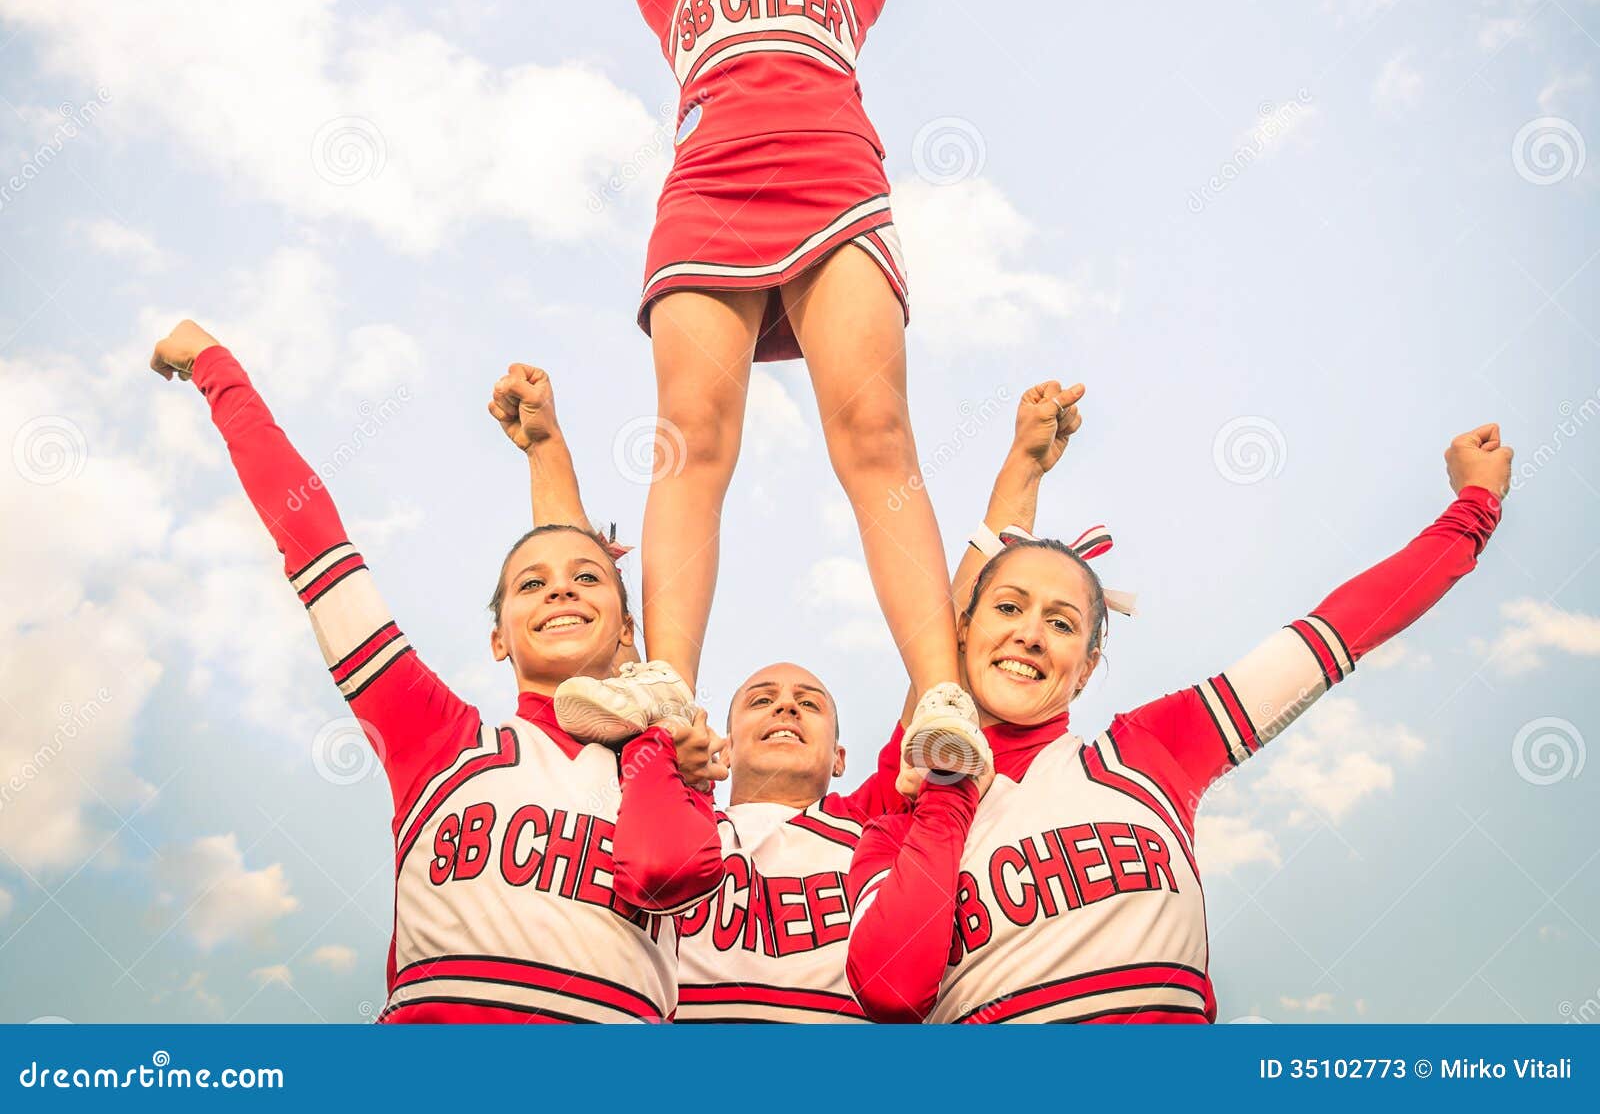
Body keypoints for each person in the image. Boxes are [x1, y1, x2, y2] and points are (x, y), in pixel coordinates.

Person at [531, 0, 989, 780]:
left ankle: (940, 697)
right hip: (706, 200)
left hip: (836, 188)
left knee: (876, 433)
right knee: (691, 440)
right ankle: (667, 683)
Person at [149, 319, 726, 1024]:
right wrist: (216, 366)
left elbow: (607, 644)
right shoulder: (438, 739)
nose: (562, 591)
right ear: (497, 637)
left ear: (629, 629)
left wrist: (549, 451)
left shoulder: (661, 763)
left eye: (586, 580)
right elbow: (312, 539)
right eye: (531, 586)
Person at [845, 416, 1513, 1024]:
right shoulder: (899, 817)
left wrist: (1473, 508)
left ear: (1087, 663)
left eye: (1061, 621)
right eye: (1009, 608)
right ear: (962, 634)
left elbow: (1337, 631)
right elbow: (888, 987)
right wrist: (950, 792)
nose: (1030, 634)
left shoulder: (1149, 751)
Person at [487, 366, 1084, 1021]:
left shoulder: (874, 822)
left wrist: (1022, 472)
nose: (786, 705)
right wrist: (546, 449)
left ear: (840, 755)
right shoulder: (667, 815)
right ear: (721, 737)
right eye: (762, 697)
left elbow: (947, 647)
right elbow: (594, 635)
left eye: (810, 700)